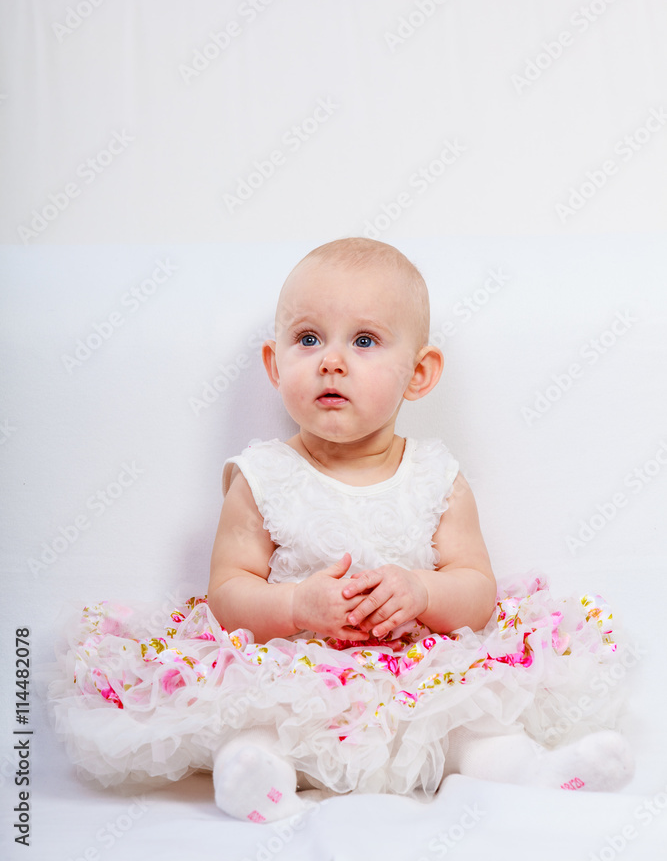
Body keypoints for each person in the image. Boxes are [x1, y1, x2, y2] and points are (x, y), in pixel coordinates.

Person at [48, 238, 633, 824]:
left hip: (417, 670)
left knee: (470, 724)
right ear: (275, 365)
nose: (331, 361)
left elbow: (478, 591)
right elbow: (227, 596)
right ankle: (256, 775)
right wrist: (298, 604)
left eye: (364, 341)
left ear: (419, 373)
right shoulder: (263, 477)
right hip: (295, 666)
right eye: (308, 339)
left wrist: (424, 591)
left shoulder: (436, 477)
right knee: (263, 723)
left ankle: (529, 770)